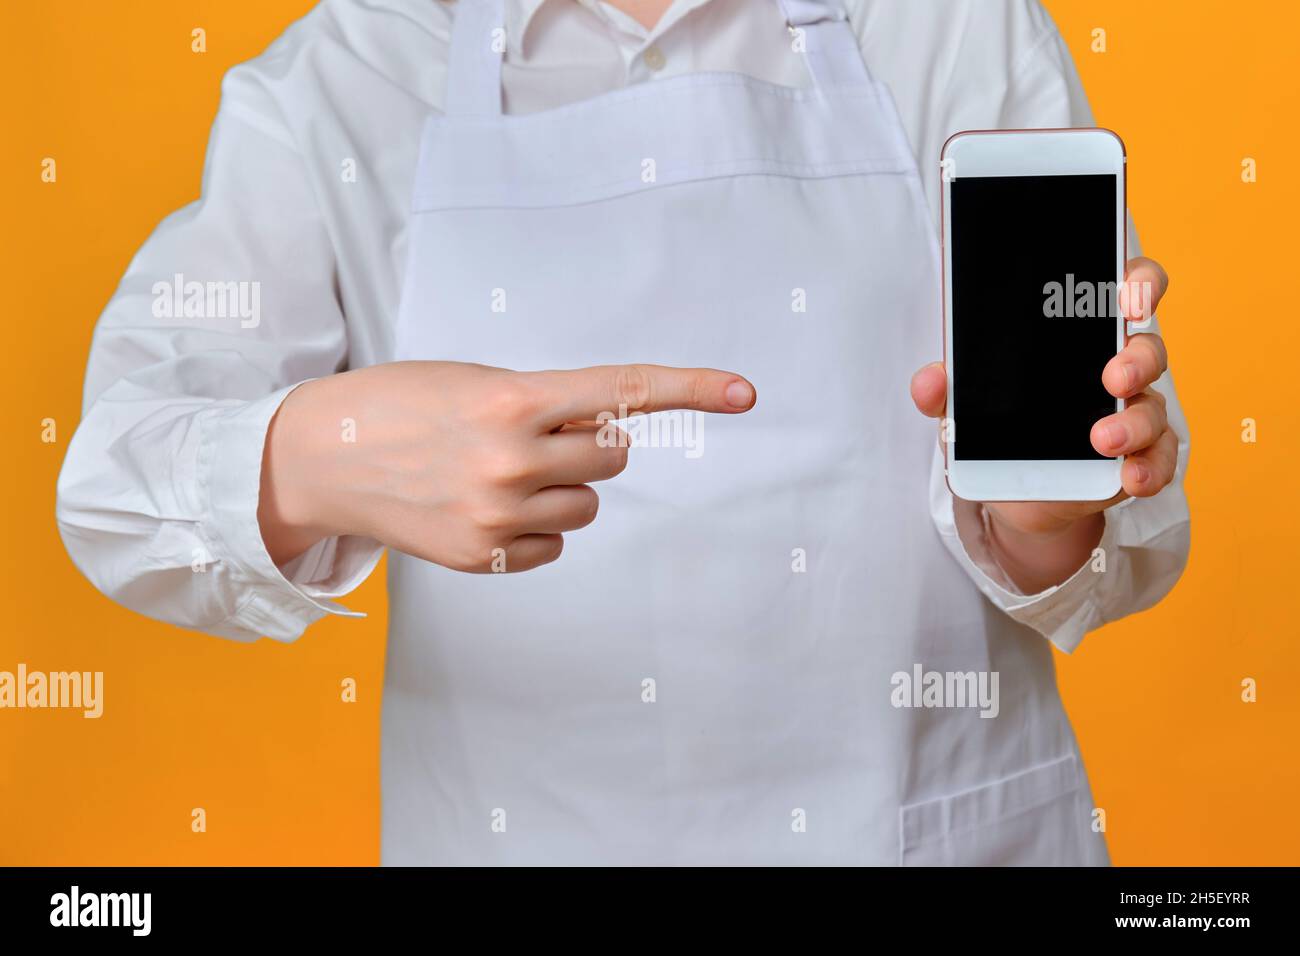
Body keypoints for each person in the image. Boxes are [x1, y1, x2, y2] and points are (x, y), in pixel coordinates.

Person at [56, 0, 1189, 865]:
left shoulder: (945, 26)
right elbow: (113, 480)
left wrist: (1047, 515)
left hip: (935, 833)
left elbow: (1096, 542)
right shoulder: (350, 76)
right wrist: (329, 449)